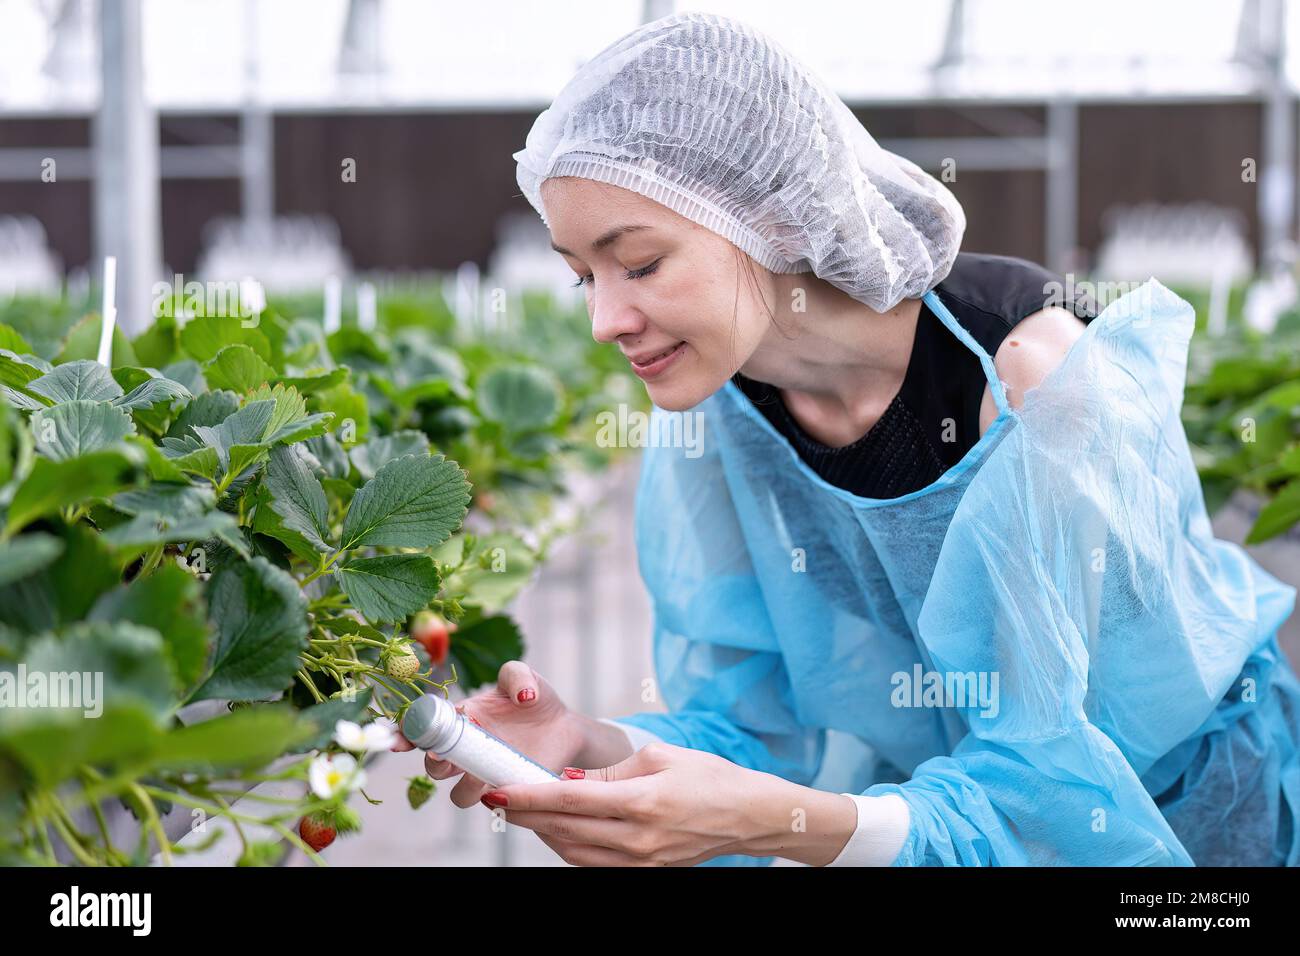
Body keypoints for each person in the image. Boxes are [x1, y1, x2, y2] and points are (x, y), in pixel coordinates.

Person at [394, 12, 1300, 867]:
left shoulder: (1031, 380)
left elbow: (1054, 790)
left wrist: (769, 824)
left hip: (1184, 825)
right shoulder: (723, 406)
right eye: (580, 276)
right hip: (940, 824)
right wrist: (590, 742)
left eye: (639, 264)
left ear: (776, 211)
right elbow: (750, 721)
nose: (603, 319)